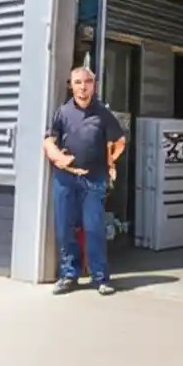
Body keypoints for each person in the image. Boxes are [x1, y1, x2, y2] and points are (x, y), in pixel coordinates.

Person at [43, 66, 126, 295]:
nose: (83, 86)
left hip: (94, 179)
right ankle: (69, 275)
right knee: (65, 228)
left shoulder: (103, 113)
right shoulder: (62, 112)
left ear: (94, 84)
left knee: (94, 228)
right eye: (78, 82)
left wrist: (110, 161)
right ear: (72, 85)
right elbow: (49, 139)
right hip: (66, 179)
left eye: (87, 82)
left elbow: (119, 142)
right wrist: (56, 156)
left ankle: (100, 278)